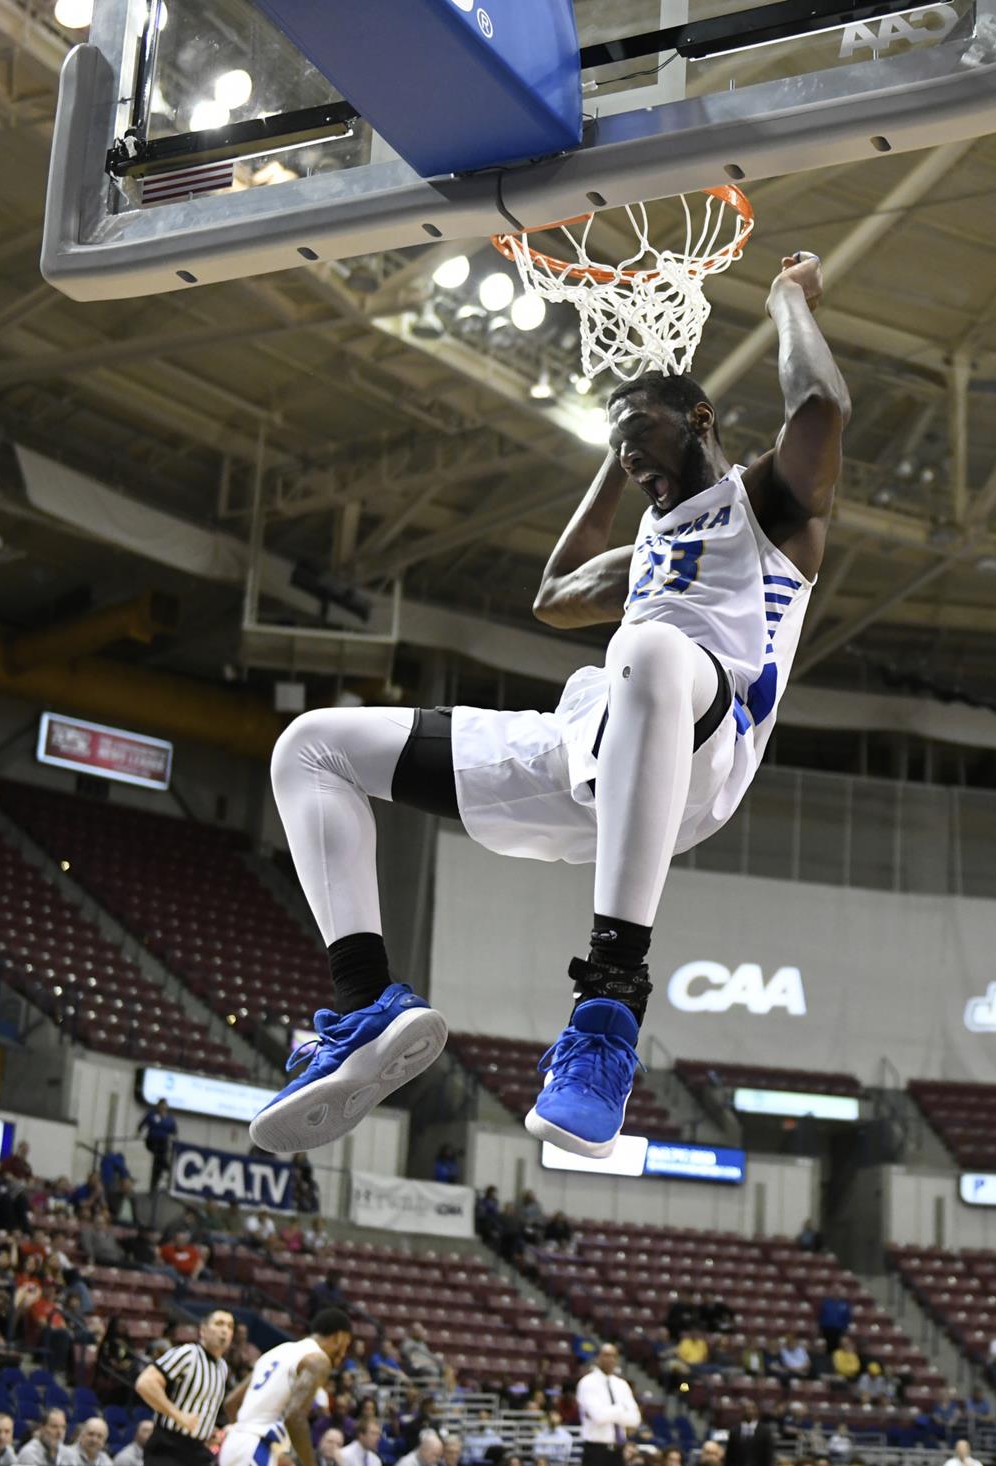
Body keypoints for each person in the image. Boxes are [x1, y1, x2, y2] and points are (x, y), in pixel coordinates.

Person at [252, 253, 850, 1161]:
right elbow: (553, 594)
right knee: (310, 747)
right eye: (619, 445)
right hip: (592, 752)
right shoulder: (647, 551)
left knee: (646, 649)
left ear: (700, 419)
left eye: (641, 431)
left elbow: (821, 408)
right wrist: (619, 455)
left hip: (702, 749)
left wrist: (785, 300)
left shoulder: (768, 507)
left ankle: (608, 1007)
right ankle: (364, 1004)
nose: (629, 453)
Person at [217, 1309, 355, 1466]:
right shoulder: (318, 1359)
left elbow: (231, 1402)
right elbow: (294, 1416)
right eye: (347, 1344)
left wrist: (247, 1435)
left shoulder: (278, 1351)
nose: (344, 1353)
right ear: (339, 1337)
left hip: (234, 1444)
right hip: (256, 1447)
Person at [134, 1309, 234, 1466]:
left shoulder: (222, 1367)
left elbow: (209, 1407)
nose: (225, 1330)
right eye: (219, 1324)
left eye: (230, 1326)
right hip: (168, 1446)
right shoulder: (188, 1354)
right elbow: (145, 1383)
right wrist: (178, 1415)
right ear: (203, 1330)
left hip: (198, 1449)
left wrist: (213, 1430)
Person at [577, 1343, 643, 1466]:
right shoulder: (587, 1383)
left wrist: (609, 1411)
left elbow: (635, 1419)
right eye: (606, 1355)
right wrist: (622, 1408)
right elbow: (599, 1417)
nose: (611, 1359)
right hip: (595, 1450)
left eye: (614, 1356)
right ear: (598, 1357)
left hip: (618, 1450)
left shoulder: (622, 1385)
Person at [138, 1101, 177, 1192]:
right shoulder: (152, 1114)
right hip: (152, 1141)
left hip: (163, 1143)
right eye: (161, 1106)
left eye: (164, 1106)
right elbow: (142, 1124)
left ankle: (154, 1184)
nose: (162, 1108)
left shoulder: (169, 1118)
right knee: (158, 1158)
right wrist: (138, 1131)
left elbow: (174, 1130)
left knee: (159, 1161)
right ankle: (167, 1167)